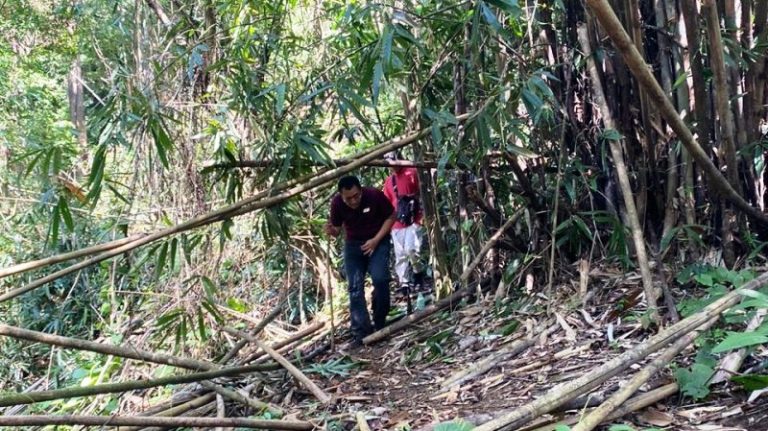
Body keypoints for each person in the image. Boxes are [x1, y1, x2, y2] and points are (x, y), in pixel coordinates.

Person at [325, 175, 395, 347]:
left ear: (361, 190)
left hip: (377, 241)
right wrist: (330, 230)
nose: (354, 201)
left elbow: (391, 216)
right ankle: (361, 332)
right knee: (355, 287)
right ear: (341, 196)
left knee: (380, 279)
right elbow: (336, 229)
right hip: (354, 245)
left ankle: (379, 322)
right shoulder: (337, 204)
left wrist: (376, 240)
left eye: (357, 195)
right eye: (348, 198)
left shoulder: (374, 195)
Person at [382, 151, 428, 306]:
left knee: (412, 250)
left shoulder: (411, 171)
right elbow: (387, 203)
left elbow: (422, 193)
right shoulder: (389, 181)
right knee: (400, 254)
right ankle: (404, 283)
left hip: (414, 219)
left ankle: (418, 273)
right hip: (397, 222)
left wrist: (421, 218)